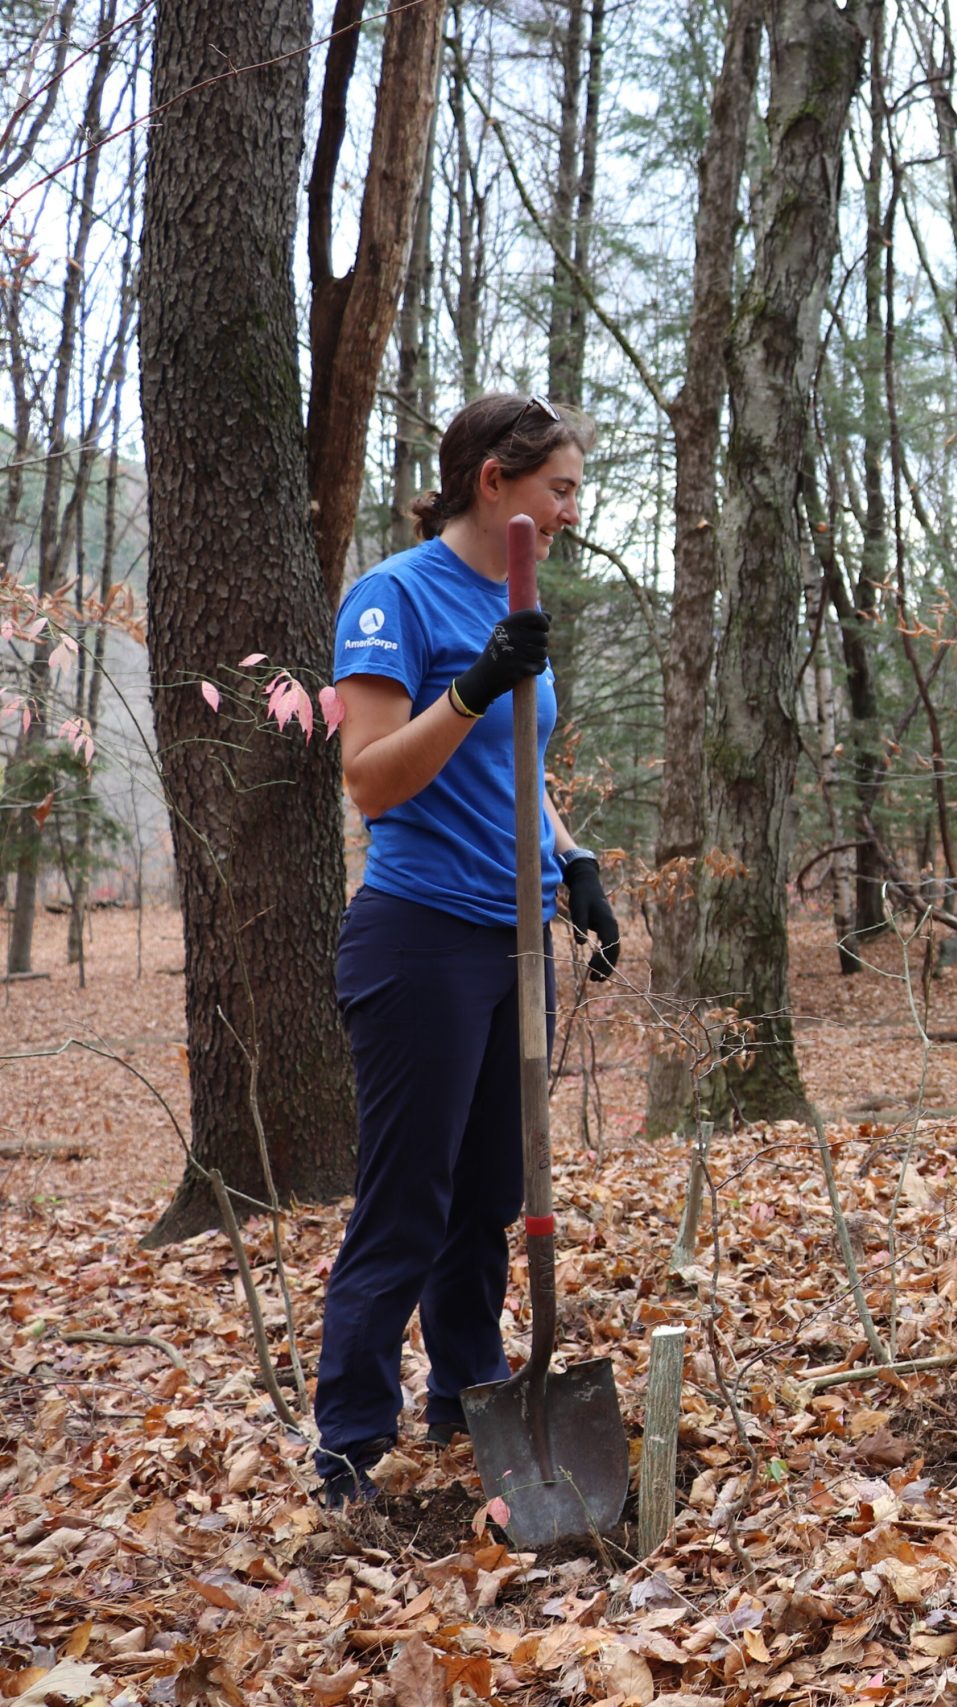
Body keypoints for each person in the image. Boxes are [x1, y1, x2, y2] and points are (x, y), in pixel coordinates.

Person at [312, 393, 622, 1505]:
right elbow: (372, 777)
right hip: (420, 939)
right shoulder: (394, 597)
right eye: (562, 488)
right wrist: (476, 681)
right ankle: (348, 1449)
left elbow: (516, 773)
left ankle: (470, 1401)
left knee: (488, 1195)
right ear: (496, 481)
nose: (574, 510)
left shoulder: (515, 598)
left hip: (512, 943)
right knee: (406, 1202)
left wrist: (574, 863)